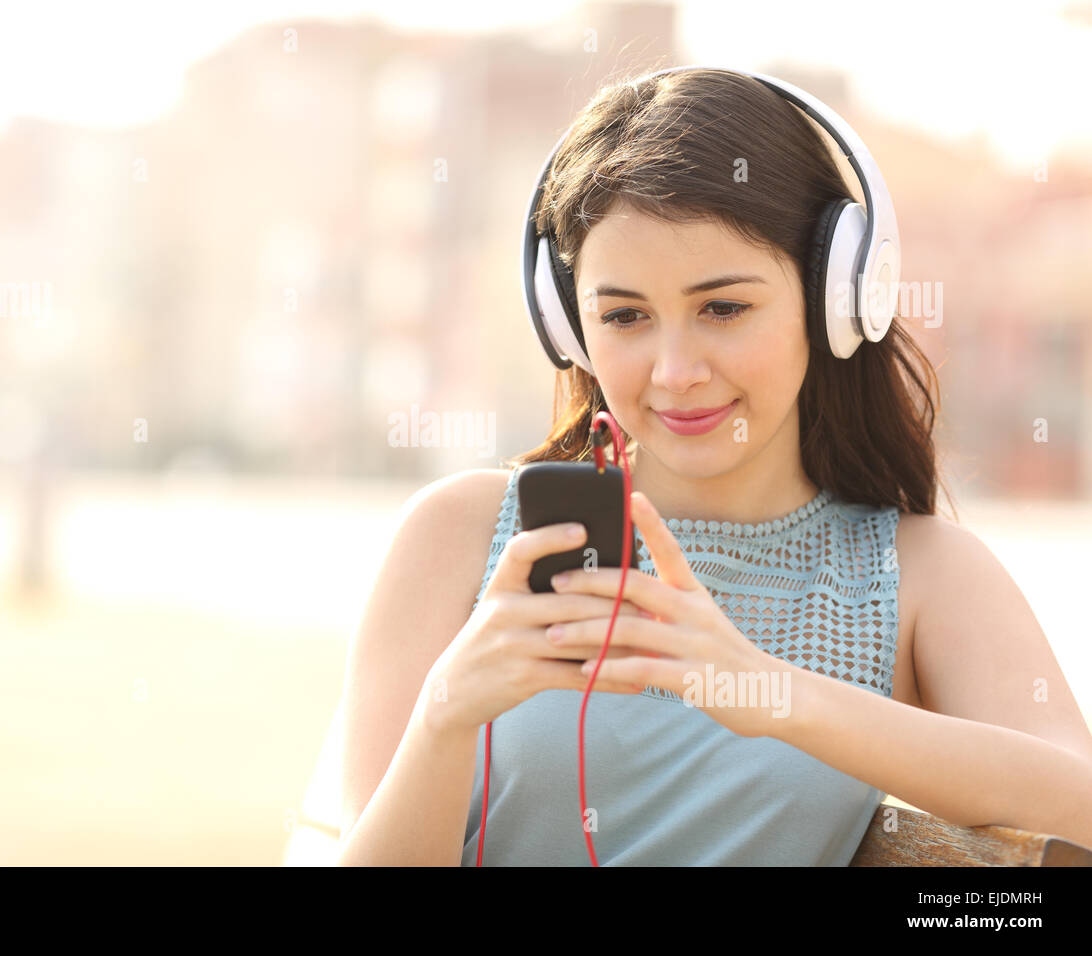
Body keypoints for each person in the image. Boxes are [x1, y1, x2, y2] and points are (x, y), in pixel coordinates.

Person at [336, 67, 1092, 865]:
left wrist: (762, 687)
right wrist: (446, 713)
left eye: (723, 308)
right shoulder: (461, 534)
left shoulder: (915, 573)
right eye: (625, 316)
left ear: (837, 297)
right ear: (568, 324)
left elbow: (1079, 801)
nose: (674, 371)